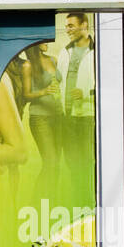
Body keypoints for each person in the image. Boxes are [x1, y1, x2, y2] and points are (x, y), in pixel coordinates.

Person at [56, 12, 96, 191]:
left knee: (88, 160)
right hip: (67, 116)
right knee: (71, 162)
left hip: (87, 116)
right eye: (66, 26)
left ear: (84, 25)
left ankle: (90, 198)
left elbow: (109, 84)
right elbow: (58, 79)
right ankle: (77, 196)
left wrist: (86, 93)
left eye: (71, 26)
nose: (68, 30)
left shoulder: (98, 52)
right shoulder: (64, 52)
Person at [21, 42, 63, 193]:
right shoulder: (28, 65)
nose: (47, 43)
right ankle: (37, 203)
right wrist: (44, 91)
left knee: (56, 164)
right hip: (40, 118)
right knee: (50, 162)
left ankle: (50, 203)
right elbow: (26, 95)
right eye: (43, 41)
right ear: (35, 44)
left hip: (58, 115)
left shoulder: (53, 60)